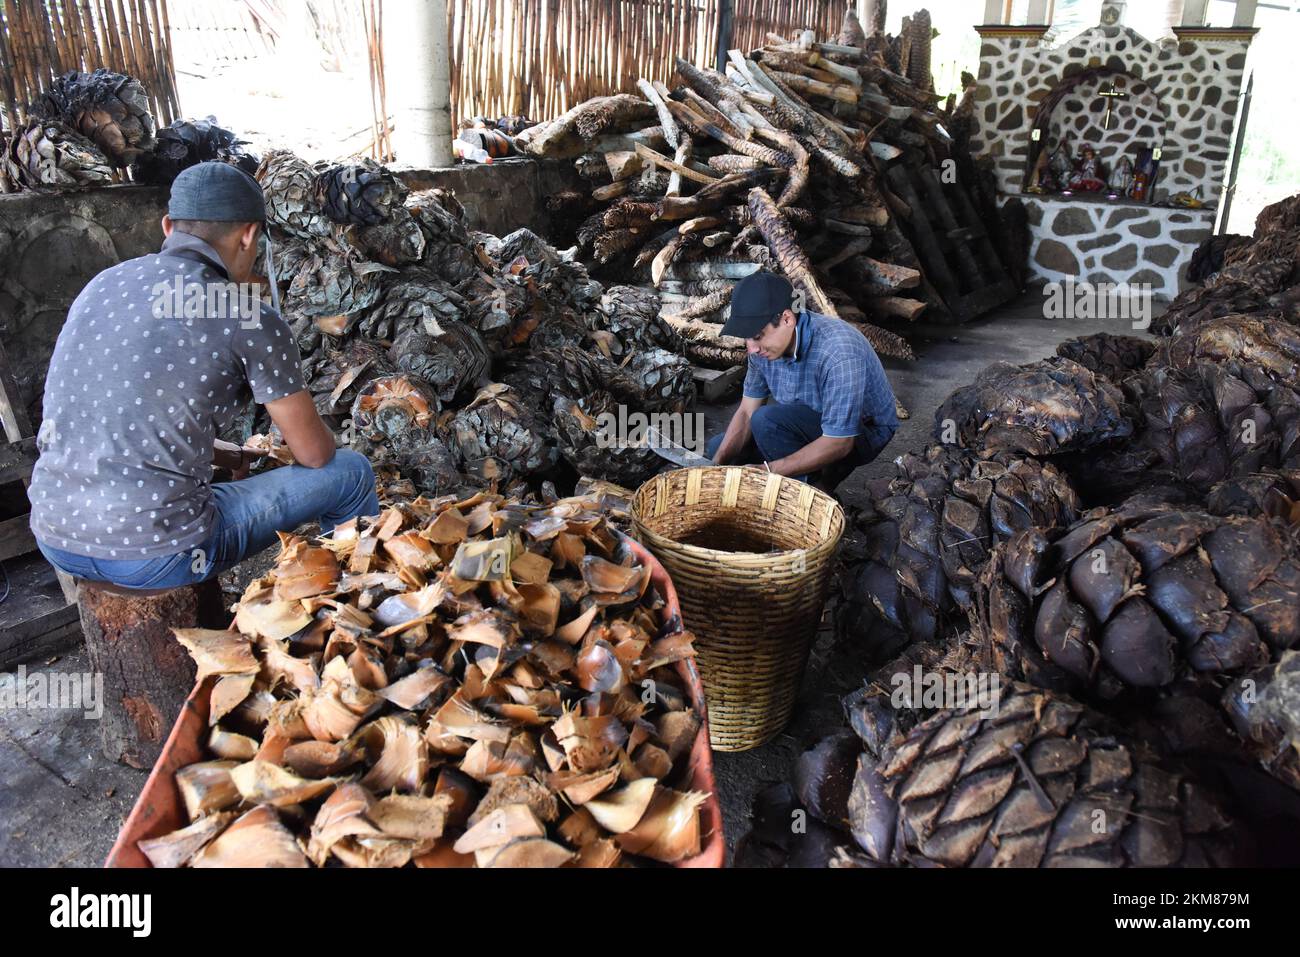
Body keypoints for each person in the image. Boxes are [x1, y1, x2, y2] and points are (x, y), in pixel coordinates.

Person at [29, 161, 379, 590]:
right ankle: (350, 608)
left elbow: (124, 415)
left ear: (167, 226)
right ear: (249, 235)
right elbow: (314, 457)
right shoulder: (247, 313)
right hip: (160, 556)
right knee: (351, 473)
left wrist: (229, 455)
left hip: (54, 537)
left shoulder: (102, 285)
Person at [706, 271, 898, 491]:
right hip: (808, 418)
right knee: (718, 448)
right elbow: (746, 411)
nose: (752, 348)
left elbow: (840, 442)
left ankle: (814, 491)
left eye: (758, 336)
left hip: (861, 432)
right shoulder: (759, 350)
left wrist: (768, 470)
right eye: (747, 338)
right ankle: (796, 478)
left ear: (787, 319)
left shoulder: (839, 351)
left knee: (767, 422)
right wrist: (715, 465)